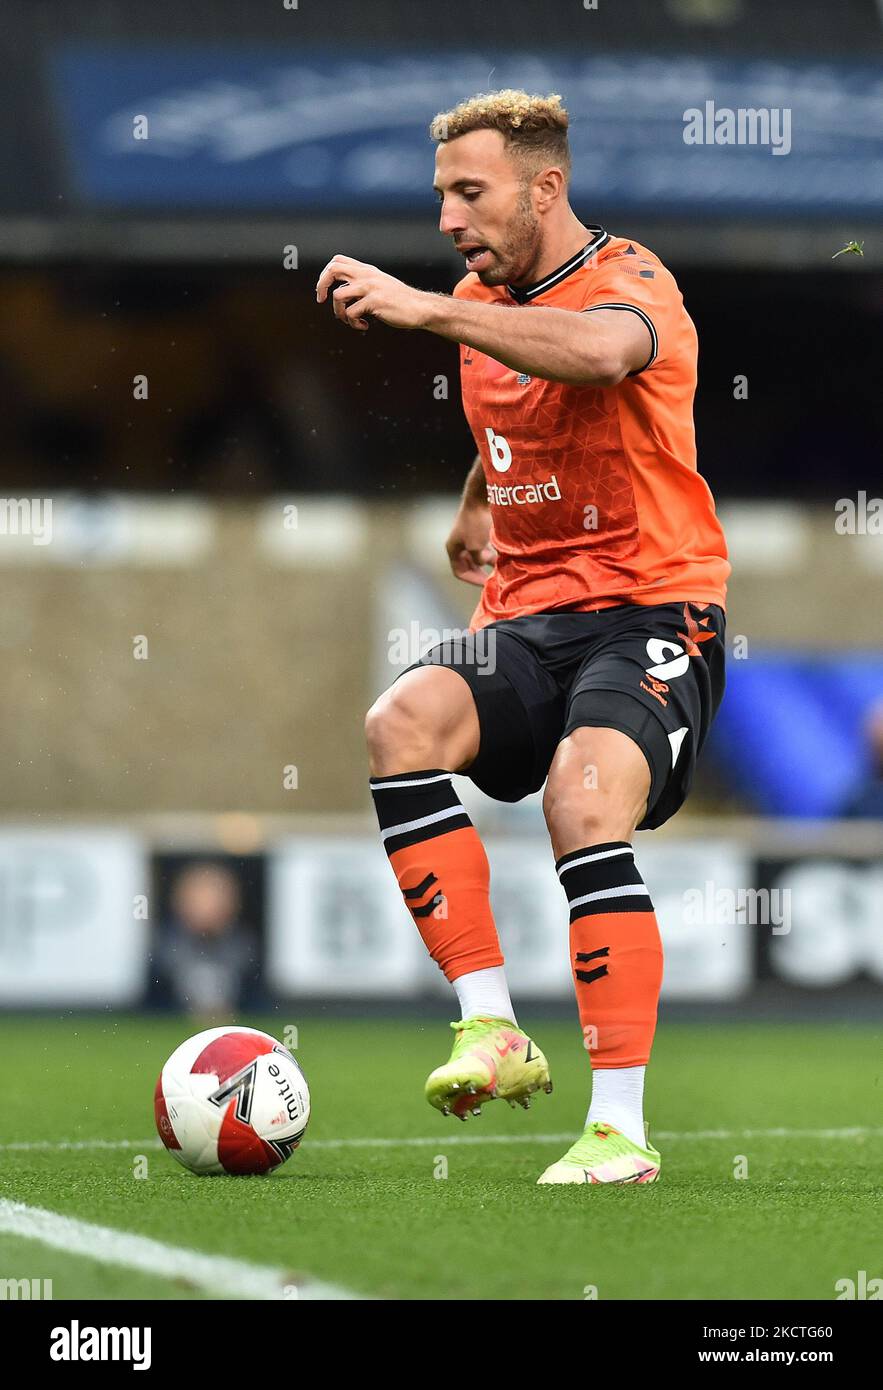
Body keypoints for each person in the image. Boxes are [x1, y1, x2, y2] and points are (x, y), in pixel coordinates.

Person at [316, 90, 729, 1185]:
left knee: (580, 800)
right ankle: (490, 1025)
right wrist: (474, 496)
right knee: (399, 722)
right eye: (441, 195)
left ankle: (619, 1129)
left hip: (652, 611)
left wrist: (426, 310)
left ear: (544, 188)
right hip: (526, 615)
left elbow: (594, 357)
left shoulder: (632, 285)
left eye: (470, 193)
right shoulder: (478, 299)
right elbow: (520, 399)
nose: (449, 218)